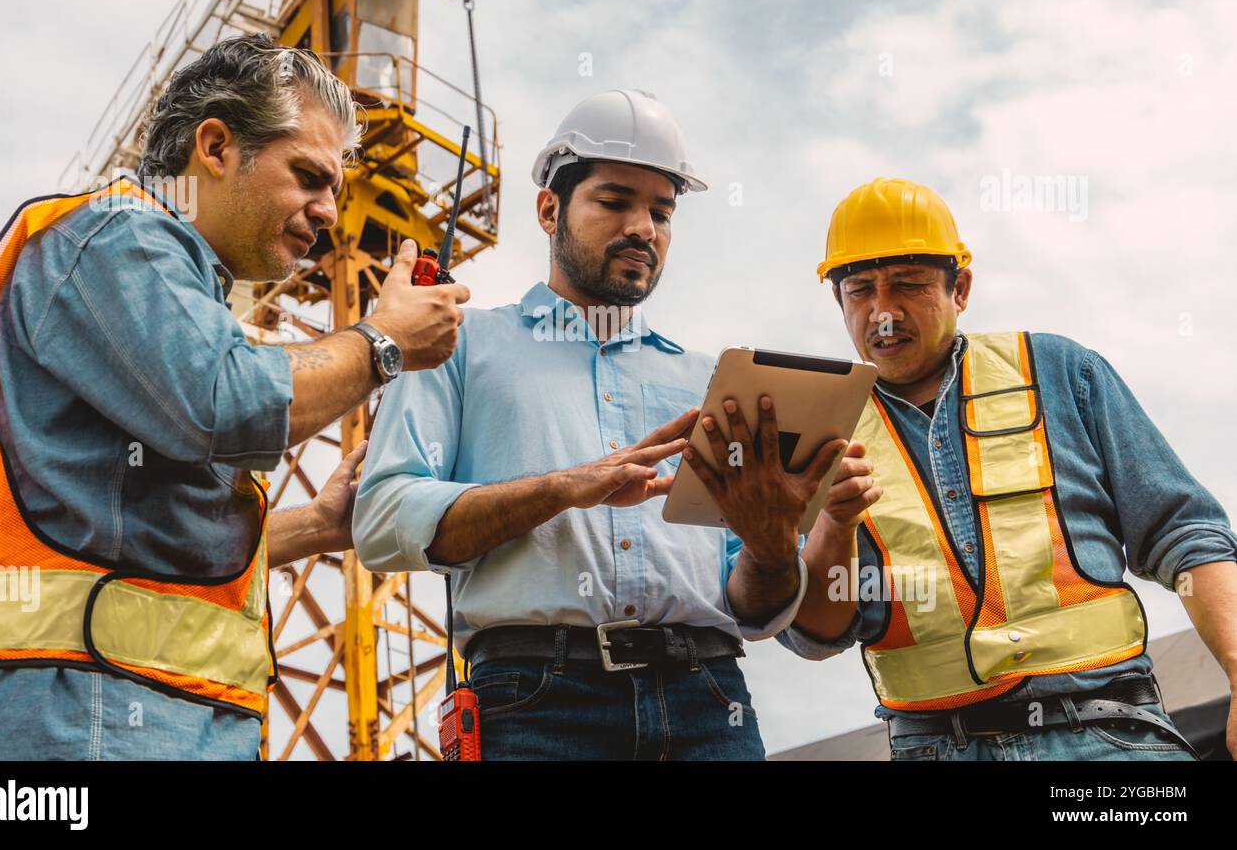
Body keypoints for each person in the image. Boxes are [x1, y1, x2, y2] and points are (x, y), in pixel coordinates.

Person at [0, 34, 468, 760]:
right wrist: (383, 343)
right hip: (74, 712)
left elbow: (142, 546)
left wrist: (315, 524)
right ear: (214, 147)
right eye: (309, 176)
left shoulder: (177, 298)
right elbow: (221, 400)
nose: (329, 214)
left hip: (145, 711)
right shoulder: (109, 235)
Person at [353, 89, 848, 760]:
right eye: (616, 202)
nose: (643, 227)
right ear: (549, 209)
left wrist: (767, 547)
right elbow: (382, 519)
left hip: (708, 701)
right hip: (534, 707)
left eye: (662, 211)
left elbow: (757, 608)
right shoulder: (456, 345)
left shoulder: (712, 383)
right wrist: (563, 488)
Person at [779, 176, 1237, 760]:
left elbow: (1184, 533)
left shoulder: (1059, 371)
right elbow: (813, 634)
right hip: (937, 748)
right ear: (838, 302)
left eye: (909, 285)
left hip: (1107, 737)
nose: (883, 312)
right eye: (860, 290)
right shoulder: (817, 430)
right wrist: (833, 526)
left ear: (960, 287)